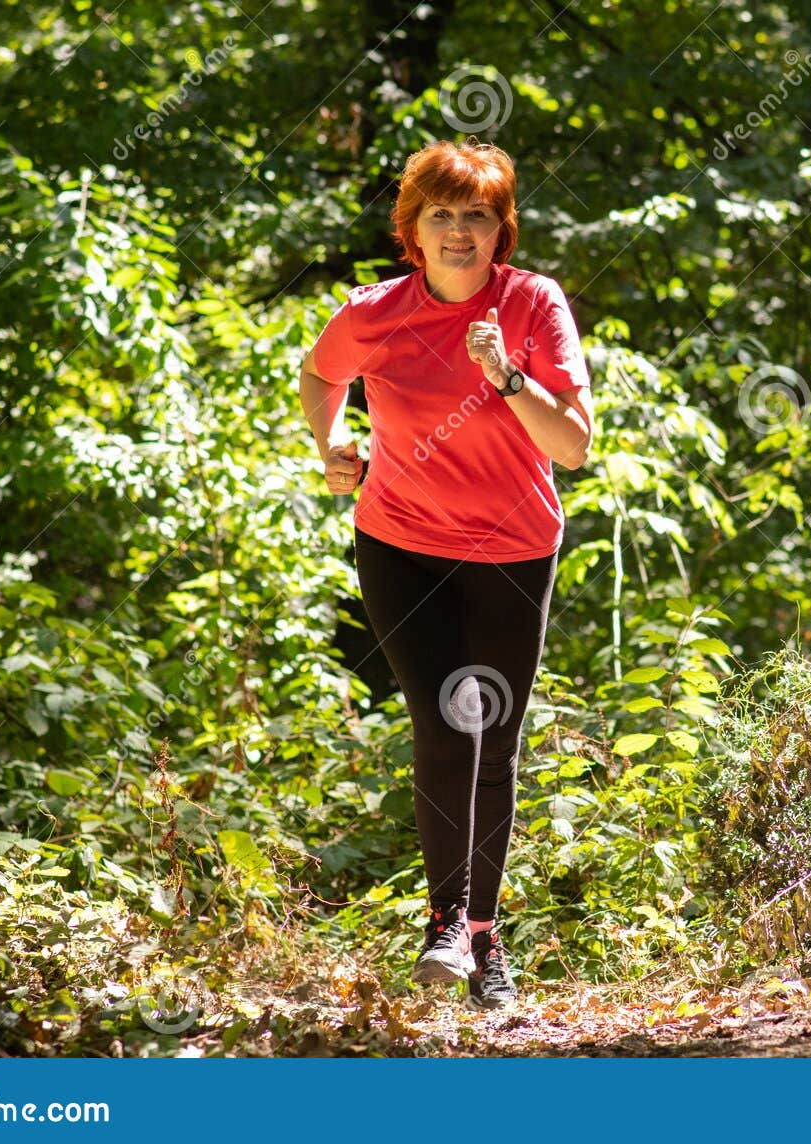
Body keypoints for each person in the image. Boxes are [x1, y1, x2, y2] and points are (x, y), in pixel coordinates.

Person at [298, 139, 595, 1010]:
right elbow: (320, 375)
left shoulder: (533, 304)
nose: (458, 232)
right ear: (412, 231)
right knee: (447, 716)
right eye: (441, 216)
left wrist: (504, 375)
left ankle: (485, 943)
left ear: (500, 230)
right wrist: (332, 442)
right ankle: (446, 924)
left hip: (513, 549)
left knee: (495, 740)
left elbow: (573, 448)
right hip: (401, 542)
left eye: (476, 216)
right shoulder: (374, 313)